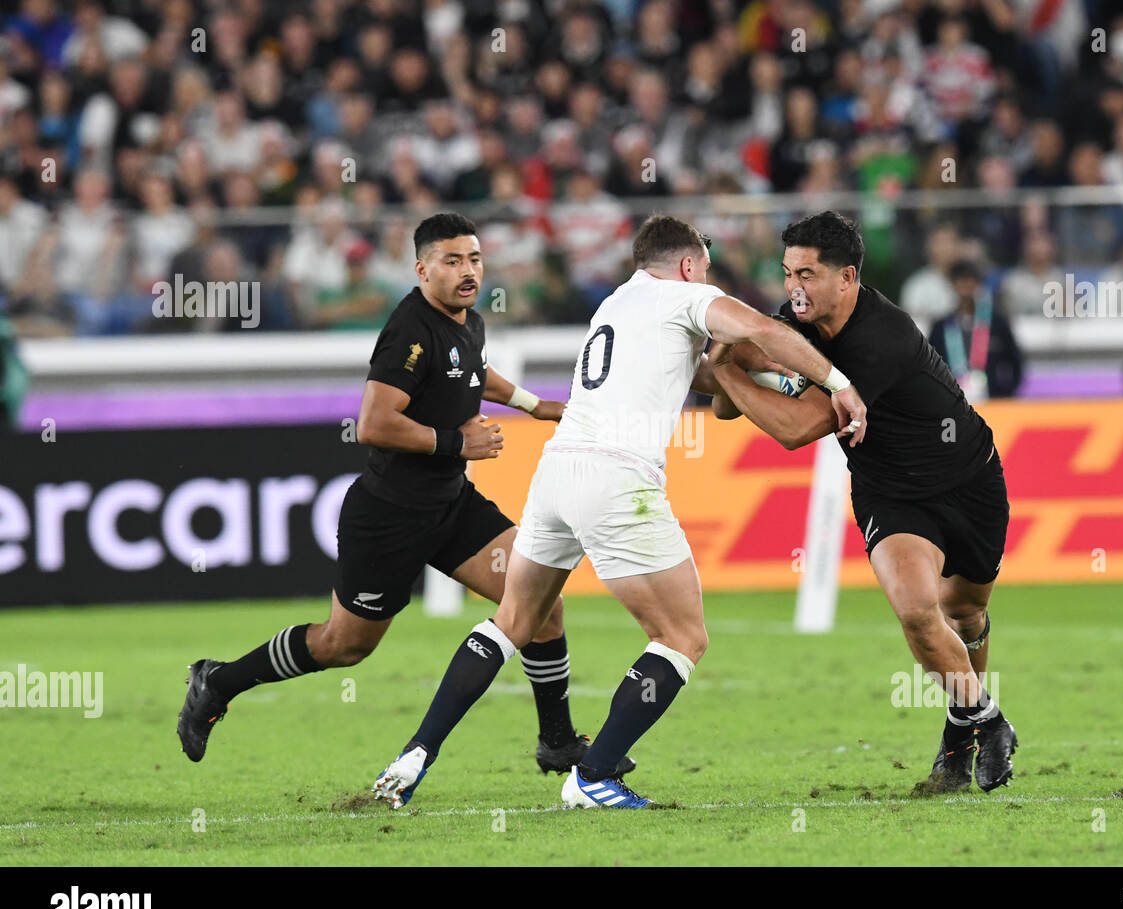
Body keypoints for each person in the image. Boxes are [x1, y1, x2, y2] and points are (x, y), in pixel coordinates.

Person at [371, 214, 868, 809]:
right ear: (689, 266)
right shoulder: (689, 295)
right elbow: (762, 326)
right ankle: (593, 776)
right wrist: (835, 380)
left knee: (513, 620)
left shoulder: (614, 305)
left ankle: (415, 753)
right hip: (616, 478)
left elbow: (706, 374)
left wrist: (765, 375)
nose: (707, 281)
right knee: (682, 635)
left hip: (557, 474)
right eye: (704, 270)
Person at [177, 213, 634, 780]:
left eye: (473, 259)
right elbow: (373, 423)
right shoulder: (409, 331)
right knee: (344, 646)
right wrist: (455, 441)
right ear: (422, 269)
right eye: (452, 261)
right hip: (390, 516)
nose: (468, 272)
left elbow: (471, 370)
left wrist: (531, 403)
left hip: (450, 506)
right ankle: (217, 682)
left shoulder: (468, 320)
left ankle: (558, 743)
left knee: (539, 601)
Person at [708, 211, 1017, 794]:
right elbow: (730, 405)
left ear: (847, 277)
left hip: (970, 477)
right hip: (891, 492)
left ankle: (960, 732)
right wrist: (730, 361)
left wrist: (725, 369)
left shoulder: (882, 336)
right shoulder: (789, 327)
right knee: (919, 611)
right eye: (787, 273)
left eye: (808, 274)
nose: (793, 288)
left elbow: (796, 429)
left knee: (966, 612)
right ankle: (990, 722)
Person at [929, 260, 1024, 400]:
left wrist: (1005, 394)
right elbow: (929, 367)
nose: (966, 287)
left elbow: (1015, 362)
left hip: (992, 402)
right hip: (951, 405)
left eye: (970, 281)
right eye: (961, 281)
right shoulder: (941, 328)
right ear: (952, 285)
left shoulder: (997, 325)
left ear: (978, 284)